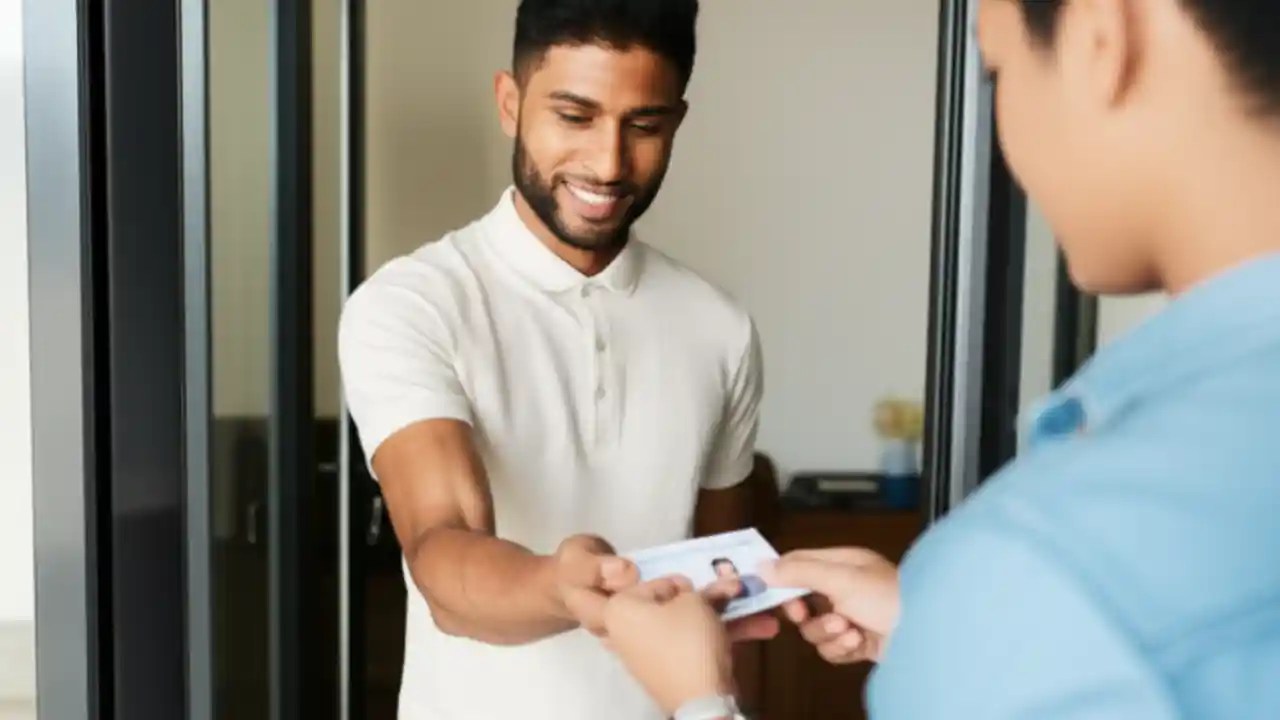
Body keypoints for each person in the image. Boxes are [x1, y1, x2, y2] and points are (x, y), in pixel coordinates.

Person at [601, 0, 1280, 717]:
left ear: (1100, 41)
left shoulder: (1047, 556)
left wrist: (699, 698)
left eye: (998, 72)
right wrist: (949, 630)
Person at [338, 1, 767, 718]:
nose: (607, 162)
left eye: (644, 125)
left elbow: (730, 591)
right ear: (511, 102)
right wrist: (564, 588)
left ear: (677, 123)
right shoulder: (412, 304)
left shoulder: (719, 326)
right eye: (575, 116)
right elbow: (443, 553)